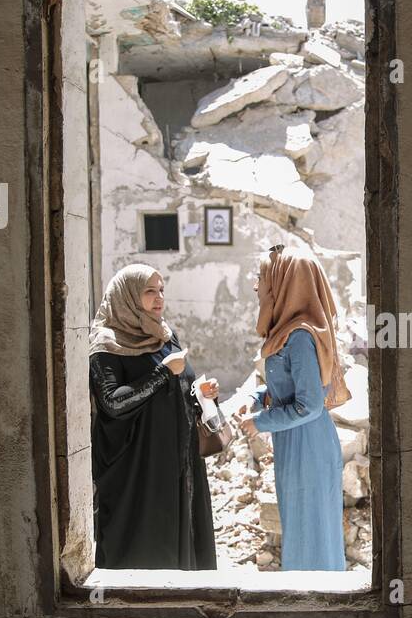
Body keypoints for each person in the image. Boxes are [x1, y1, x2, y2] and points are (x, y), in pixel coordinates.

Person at [88, 264, 218, 570]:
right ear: (128, 295)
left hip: (177, 461)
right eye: (149, 291)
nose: (159, 298)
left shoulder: (164, 334)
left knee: (182, 540)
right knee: (143, 548)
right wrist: (162, 374)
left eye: (161, 290)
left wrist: (203, 392)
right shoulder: (107, 345)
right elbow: (111, 403)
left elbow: (182, 382)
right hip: (136, 470)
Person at [237, 244, 347, 571]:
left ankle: (316, 609)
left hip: (308, 446)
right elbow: (285, 387)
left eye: (263, 277)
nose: (257, 286)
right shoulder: (286, 334)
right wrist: (255, 398)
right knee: (301, 529)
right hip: (295, 442)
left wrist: (260, 423)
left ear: (286, 282)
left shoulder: (300, 337)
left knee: (310, 536)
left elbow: (309, 405)